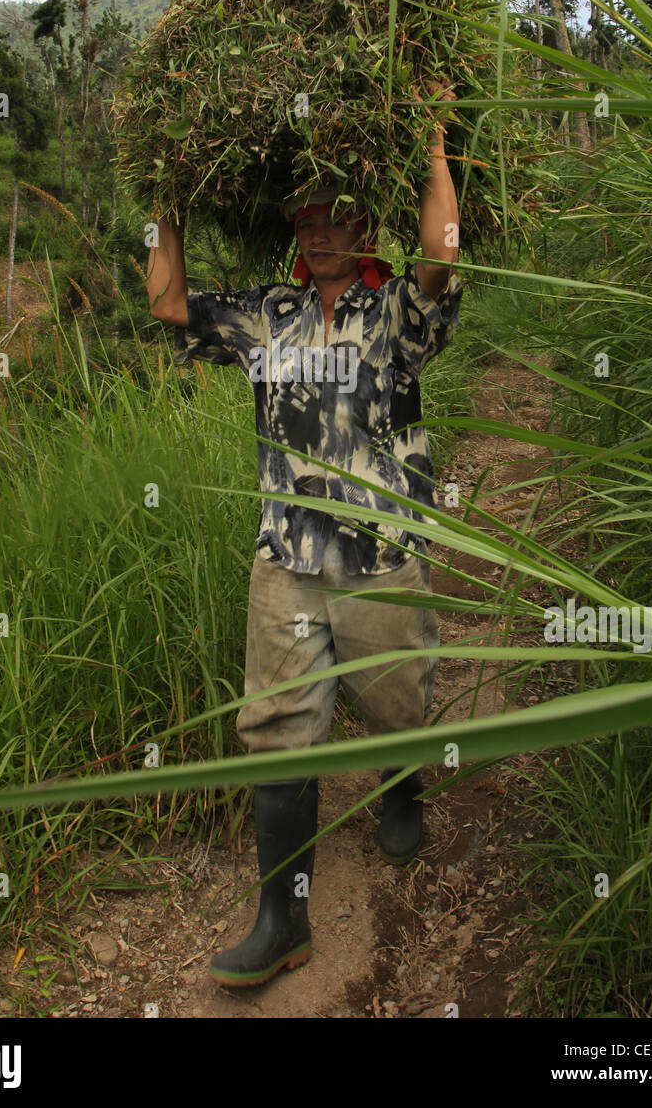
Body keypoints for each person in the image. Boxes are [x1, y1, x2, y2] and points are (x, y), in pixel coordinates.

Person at [146, 84, 462, 987]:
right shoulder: (264, 315)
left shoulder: (396, 312)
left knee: (395, 703)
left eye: (337, 214)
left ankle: (401, 780)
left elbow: (441, 258)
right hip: (285, 554)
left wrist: (433, 144)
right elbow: (169, 303)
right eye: (305, 216)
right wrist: (163, 199)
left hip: (379, 553)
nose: (319, 230)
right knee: (276, 729)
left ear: (364, 220)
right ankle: (281, 922)